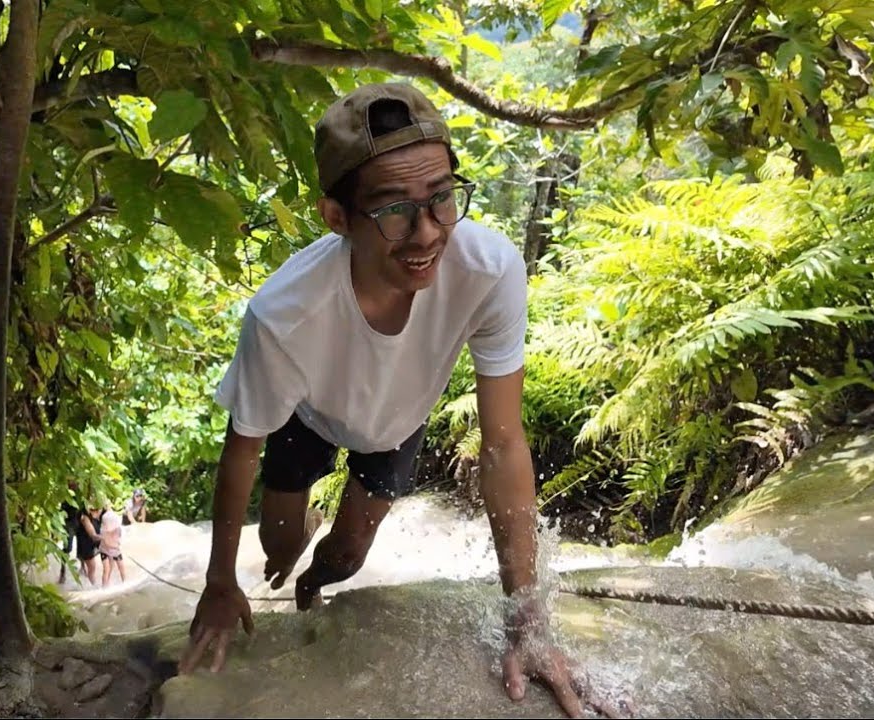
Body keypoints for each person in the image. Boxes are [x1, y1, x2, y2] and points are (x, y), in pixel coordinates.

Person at [177, 83, 622, 718]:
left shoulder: (489, 270)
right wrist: (220, 583)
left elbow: (502, 443)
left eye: (441, 198)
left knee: (348, 557)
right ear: (337, 217)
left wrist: (528, 622)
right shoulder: (284, 315)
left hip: (395, 424)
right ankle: (293, 541)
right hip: (306, 416)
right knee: (276, 547)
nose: (426, 233)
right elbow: (242, 446)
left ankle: (316, 576)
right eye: (393, 210)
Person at [98, 504, 127, 586]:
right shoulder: (103, 531)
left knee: (121, 567)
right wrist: (116, 546)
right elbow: (107, 542)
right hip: (105, 550)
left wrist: (117, 545)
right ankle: (104, 587)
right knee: (106, 569)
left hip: (115, 551)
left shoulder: (118, 529)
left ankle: (125, 583)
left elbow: (120, 539)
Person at [76, 506, 105, 586]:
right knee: (92, 567)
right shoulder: (85, 518)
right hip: (86, 543)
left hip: (95, 542)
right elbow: (93, 535)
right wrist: (106, 537)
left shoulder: (101, 512)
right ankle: (93, 586)